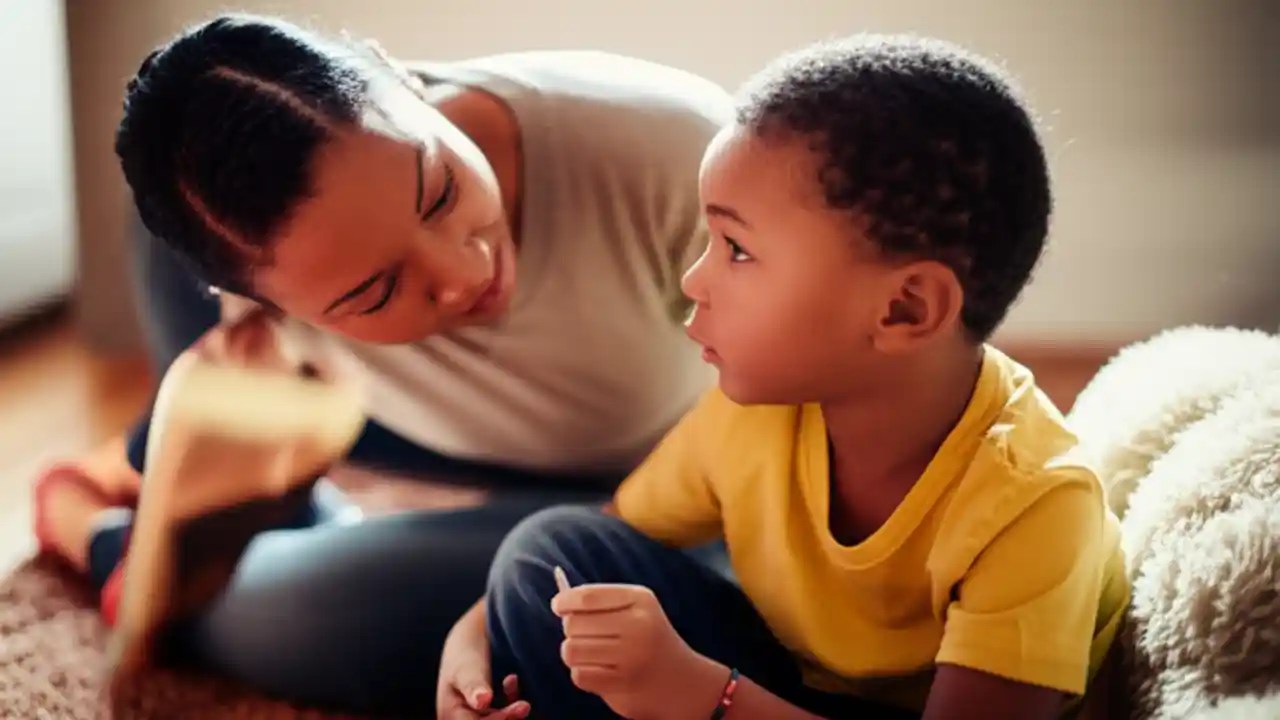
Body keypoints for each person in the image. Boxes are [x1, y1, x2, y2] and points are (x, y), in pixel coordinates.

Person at [31, 12, 731, 715]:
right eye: (377, 290)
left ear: (402, 81)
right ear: (258, 308)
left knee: (267, 615)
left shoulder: (673, 151)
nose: (467, 271)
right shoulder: (247, 286)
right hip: (410, 438)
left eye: (441, 192)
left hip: (660, 485)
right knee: (167, 240)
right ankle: (172, 501)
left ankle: (107, 534)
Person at [458, 35, 1131, 719]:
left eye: (738, 250)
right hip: (790, 684)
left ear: (904, 309)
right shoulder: (755, 412)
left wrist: (707, 697)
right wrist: (472, 635)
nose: (695, 279)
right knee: (548, 556)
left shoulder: (1034, 504)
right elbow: (618, 529)